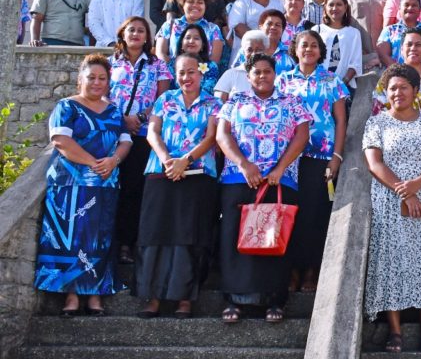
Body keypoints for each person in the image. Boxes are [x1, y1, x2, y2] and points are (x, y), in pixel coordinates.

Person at [216, 53, 311, 323]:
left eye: (267, 71)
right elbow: (223, 135)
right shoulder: (235, 101)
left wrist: (280, 168)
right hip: (239, 178)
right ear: (248, 76)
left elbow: (302, 135)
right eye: (256, 72)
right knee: (235, 238)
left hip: (278, 180)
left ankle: (275, 301)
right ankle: (234, 300)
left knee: (274, 239)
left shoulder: (291, 102)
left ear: (275, 74)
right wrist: (244, 165)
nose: (262, 76)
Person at [35, 54, 133, 316]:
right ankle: (71, 295)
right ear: (80, 79)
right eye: (91, 77)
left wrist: (114, 160)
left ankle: (96, 293)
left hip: (105, 184)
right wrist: (93, 163)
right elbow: (60, 141)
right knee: (71, 238)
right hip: (69, 184)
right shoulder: (66, 107)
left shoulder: (114, 110)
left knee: (99, 239)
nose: (97, 82)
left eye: (102, 78)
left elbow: (125, 141)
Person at [363, 64, 421, 353]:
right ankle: (395, 332)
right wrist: (405, 192)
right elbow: (374, 164)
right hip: (389, 201)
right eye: (392, 88)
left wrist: (416, 185)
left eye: (403, 87)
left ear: (415, 91)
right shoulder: (377, 123)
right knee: (391, 261)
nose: (397, 92)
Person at [134, 53, 221, 319]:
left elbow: (212, 137)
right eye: (181, 72)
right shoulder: (165, 99)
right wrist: (167, 160)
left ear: (201, 74)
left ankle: (185, 298)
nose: (186, 77)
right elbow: (152, 132)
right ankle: (153, 297)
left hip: (198, 173)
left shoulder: (213, 103)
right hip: (161, 172)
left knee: (190, 235)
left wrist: (186, 160)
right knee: (155, 233)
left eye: (191, 72)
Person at [277, 31, 349, 293]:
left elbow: (341, 121)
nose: (308, 49)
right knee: (291, 213)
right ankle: (291, 270)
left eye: (314, 46)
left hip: (320, 157)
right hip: (289, 159)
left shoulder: (332, 81)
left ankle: (311, 271)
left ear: (321, 52)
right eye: (304, 45)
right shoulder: (282, 81)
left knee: (315, 215)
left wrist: (336, 157)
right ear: (295, 50)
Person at [107, 17, 172, 264]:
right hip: (113, 133)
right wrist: (122, 119)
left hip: (143, 135)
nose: (135, 34)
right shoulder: (110, 63)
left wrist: (140, 117)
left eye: (141, 30)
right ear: (122, 34)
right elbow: (101, 95)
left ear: (147, 37)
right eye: (131, 30)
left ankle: (126, 243)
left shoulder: (158, 66)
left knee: (133, 189)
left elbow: (163, 99)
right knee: (110, 187)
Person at [372, 28, 421, 133]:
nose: (413, 48)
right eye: (409, 45)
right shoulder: (388, 79)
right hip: (393, 137)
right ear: (402, 49)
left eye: (418, 45)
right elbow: (379, 114)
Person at [156, 0, 225, 67]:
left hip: (204, 74)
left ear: (205, 6)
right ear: (183, 5)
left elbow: (214, 60)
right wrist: (177, 70)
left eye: (200, 2)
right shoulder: (169, 25)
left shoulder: (213, 29)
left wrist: (196, 72)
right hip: (172, 73)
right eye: (190, 1)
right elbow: (160, 53)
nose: (195, 5)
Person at [312, 0, 362, 88]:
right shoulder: (316, 30)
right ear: (325, 7)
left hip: (344, 86)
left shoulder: (354, 33)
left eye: (339, 4)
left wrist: (342, 83)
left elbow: (355, 63)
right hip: (318, 84)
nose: (335, 8)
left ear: (345, 7)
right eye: (331, 5)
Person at [376, 0, 421, 66]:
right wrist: (400, 71)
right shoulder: (389, 31)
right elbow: (383, 55)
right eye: (406, 5)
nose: (410, 8)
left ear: (420, 9)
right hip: (395, 71)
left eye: (414, 5)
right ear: (399, 9)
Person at [214, 30, 266, 101]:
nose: (254, 54)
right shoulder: (230, 74)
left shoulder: (272, 74)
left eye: (258, 50)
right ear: (244, 52)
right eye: (249, 50)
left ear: (266, 51)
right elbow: (218, 103)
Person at [174, 23, 220, 95]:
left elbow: (208, 90)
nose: (191, 41)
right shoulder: (172, 65)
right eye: (188, 38)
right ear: (181, 44)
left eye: (196, 38)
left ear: (202, 45)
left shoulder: (211, 66)